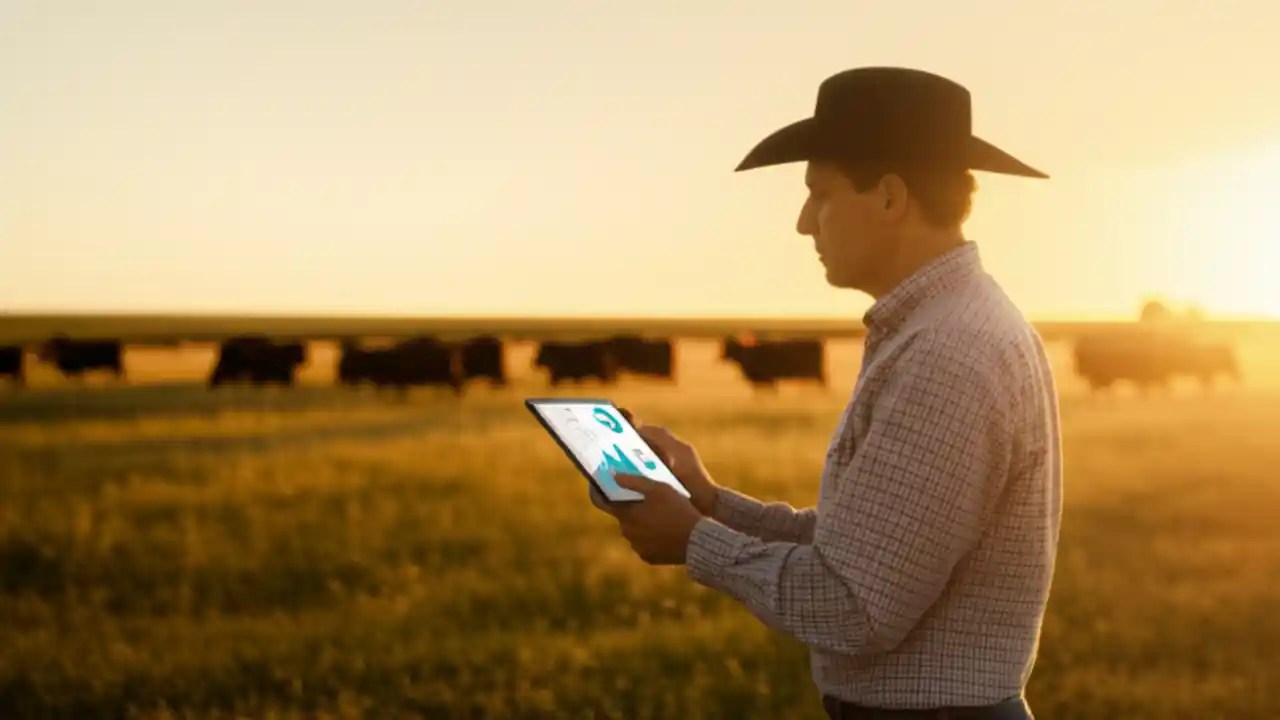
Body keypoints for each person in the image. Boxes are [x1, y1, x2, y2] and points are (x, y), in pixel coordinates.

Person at [591, 67, 1062, 720]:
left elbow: (855, 607)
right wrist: (709, 503)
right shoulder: (946, 326)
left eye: (820, 194)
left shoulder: (947, 351)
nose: (803, 222)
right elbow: (868, 546)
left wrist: (694, 539)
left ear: (891, 198)